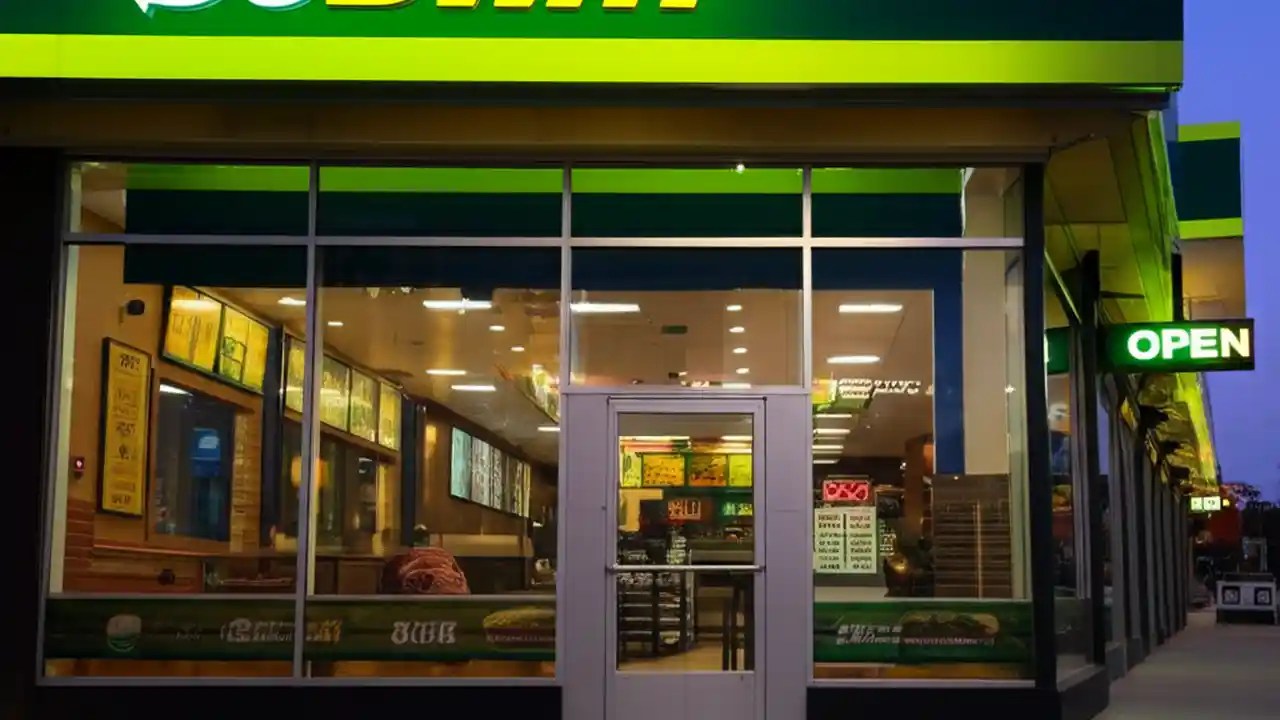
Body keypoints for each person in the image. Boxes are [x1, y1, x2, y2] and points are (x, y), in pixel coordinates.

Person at [380, 525, 470, 595]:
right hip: (452, 596)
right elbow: (462, 579)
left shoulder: (404, 558)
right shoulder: (444, 555)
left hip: (418, 601)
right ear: (428, 539)